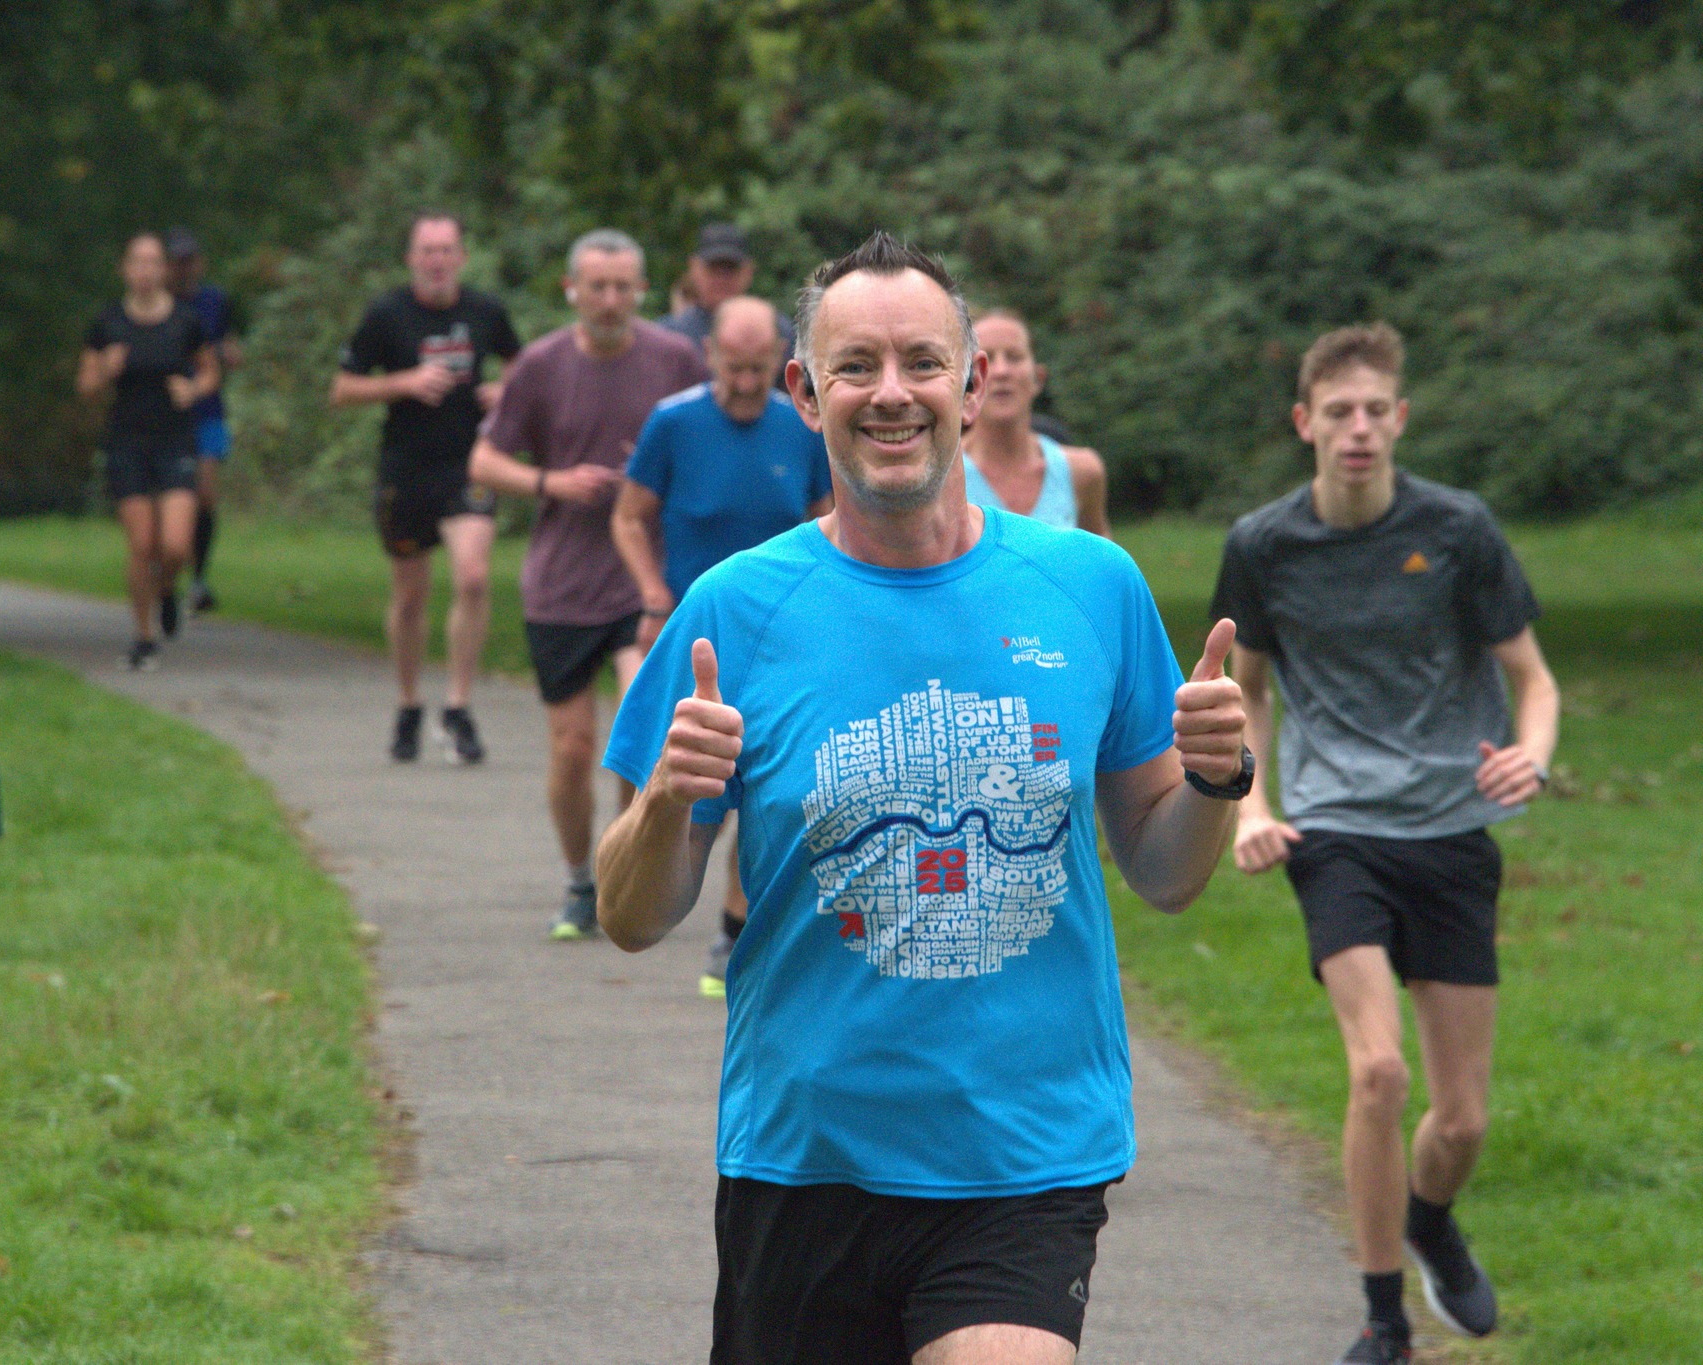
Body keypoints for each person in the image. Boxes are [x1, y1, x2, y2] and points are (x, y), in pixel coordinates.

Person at [597, 232, 1252, 1365]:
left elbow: (1165, 869)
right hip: (804, 1158)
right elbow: (631, 915)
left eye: (919, 361)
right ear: (804, 392)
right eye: (854, 366)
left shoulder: (1087, 585)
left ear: (972, 382)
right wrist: (664, 802)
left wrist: (1214, 780)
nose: (889, 393)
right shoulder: (733, 608)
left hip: (1022, 1153)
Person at [1211, 323, 1560, 1365]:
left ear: (1397, 418)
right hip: (1334, 833)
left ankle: (1426, 1222)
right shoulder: (1263, 544)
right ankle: (1381, 1320)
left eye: (1374, 412)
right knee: (1376, 1074)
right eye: (1336, 413)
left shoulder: (1455, 529)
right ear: (1303, 424)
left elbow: (1532, 678)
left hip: (1450, 834)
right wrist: (1252, 807)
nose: (1356, 430)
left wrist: (1530, 757)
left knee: (1458, 1125)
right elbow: (1249, 692)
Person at [470, 228, 709, 939]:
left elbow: (706, 439)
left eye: (623, 286)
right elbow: (483, 463)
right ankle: (579, 878)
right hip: (564, 580)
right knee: (573, 746)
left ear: (642, 290)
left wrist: (657, 470)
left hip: (647, 578)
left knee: (642, 733)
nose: (609, 300)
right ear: (572, 289)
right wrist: (551, 480)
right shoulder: (540, 365)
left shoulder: (675, 359)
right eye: (595, 287)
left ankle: (625, 874)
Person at [611, 295, 832, 998]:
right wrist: (651, 593)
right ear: (709, 356)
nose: (744, 381)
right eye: (733, 367)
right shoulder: (673, 423)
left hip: (782, 638)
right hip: (689, 628)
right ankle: (621, 881)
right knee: (666, 774)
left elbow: (824, 519)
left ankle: (734, 928)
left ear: (782, 364)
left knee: (763, 785)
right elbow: (628, 517)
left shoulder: (801, 429)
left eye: (758, 367)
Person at [331, 213, 522, 764]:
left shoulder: (485, 311)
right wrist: (403, 382)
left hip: (469, 466)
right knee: (410, 595)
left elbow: (526, 370)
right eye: (427, 251)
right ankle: (409, 702)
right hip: (406, 469)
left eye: (446, 250)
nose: (437, 260)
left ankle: (458, 706)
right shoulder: (386, 314)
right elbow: (341, 389)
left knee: (473, 576)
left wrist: (503, 390)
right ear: (412, 258)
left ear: (462, 257)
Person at [77, 232, 218, 671]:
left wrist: (193, 390)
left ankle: (166, 589)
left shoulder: (185, 321)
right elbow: (84, 387)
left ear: (163, 270)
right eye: (137, 262)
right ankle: (143, 636)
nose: (145, 270)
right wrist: (104, 371)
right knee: (142, 544)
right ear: (124, 269)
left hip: (176, 439)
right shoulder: (108, 323)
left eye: (153, 262)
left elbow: (210, 371)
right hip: (127, 442)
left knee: (175, 545)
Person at [960, 309, 1109, 536]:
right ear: (969, 381)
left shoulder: (1082, 473)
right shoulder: (942, 474)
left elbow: (1102, 567)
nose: (1001, 371)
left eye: (1014, 357)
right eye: (987, 358)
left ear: (1038, 378)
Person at [165, 228, 243, 614]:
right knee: (169, 498)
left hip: (207, 409)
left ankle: (198, 579)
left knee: (205, 495)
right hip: (164, 412)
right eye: (176, 262)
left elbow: (226, 341)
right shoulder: (157, 304)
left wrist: (230, 354)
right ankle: (165, 573)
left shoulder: (215, 301)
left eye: (188, 261)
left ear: (198, 263)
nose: (183, 269)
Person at [660, 224, 795, 383]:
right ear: (694, 268)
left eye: (731, 269)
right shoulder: (669, 336)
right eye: (713, 268)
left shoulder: (778, 331)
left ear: (748, 271)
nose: (721, 278)